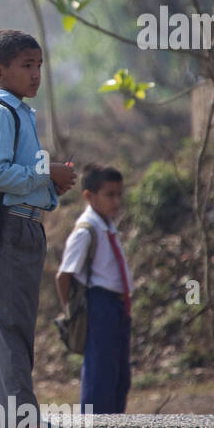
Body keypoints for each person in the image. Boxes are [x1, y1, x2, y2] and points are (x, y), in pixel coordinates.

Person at [0, 29, 77, 428]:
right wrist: (48, 172)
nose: (36, 75)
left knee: (4, 329)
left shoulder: (20, 112)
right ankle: (24, 423)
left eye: (38, 66)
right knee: (13, 327)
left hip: (27, 224)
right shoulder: (1, 114)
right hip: (12, 227)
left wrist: (50, 186)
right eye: (26, 66)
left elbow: (18, 175)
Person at [56, 163, 132, 415]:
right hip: (97, 304)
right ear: (89, 196)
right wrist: (72, 314)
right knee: (99, 373)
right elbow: (64, 276)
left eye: (119, 194)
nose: (116, 201)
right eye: (109, 195)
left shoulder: (107, 225)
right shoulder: (85, 231)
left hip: (116, 305)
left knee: (120, 374)